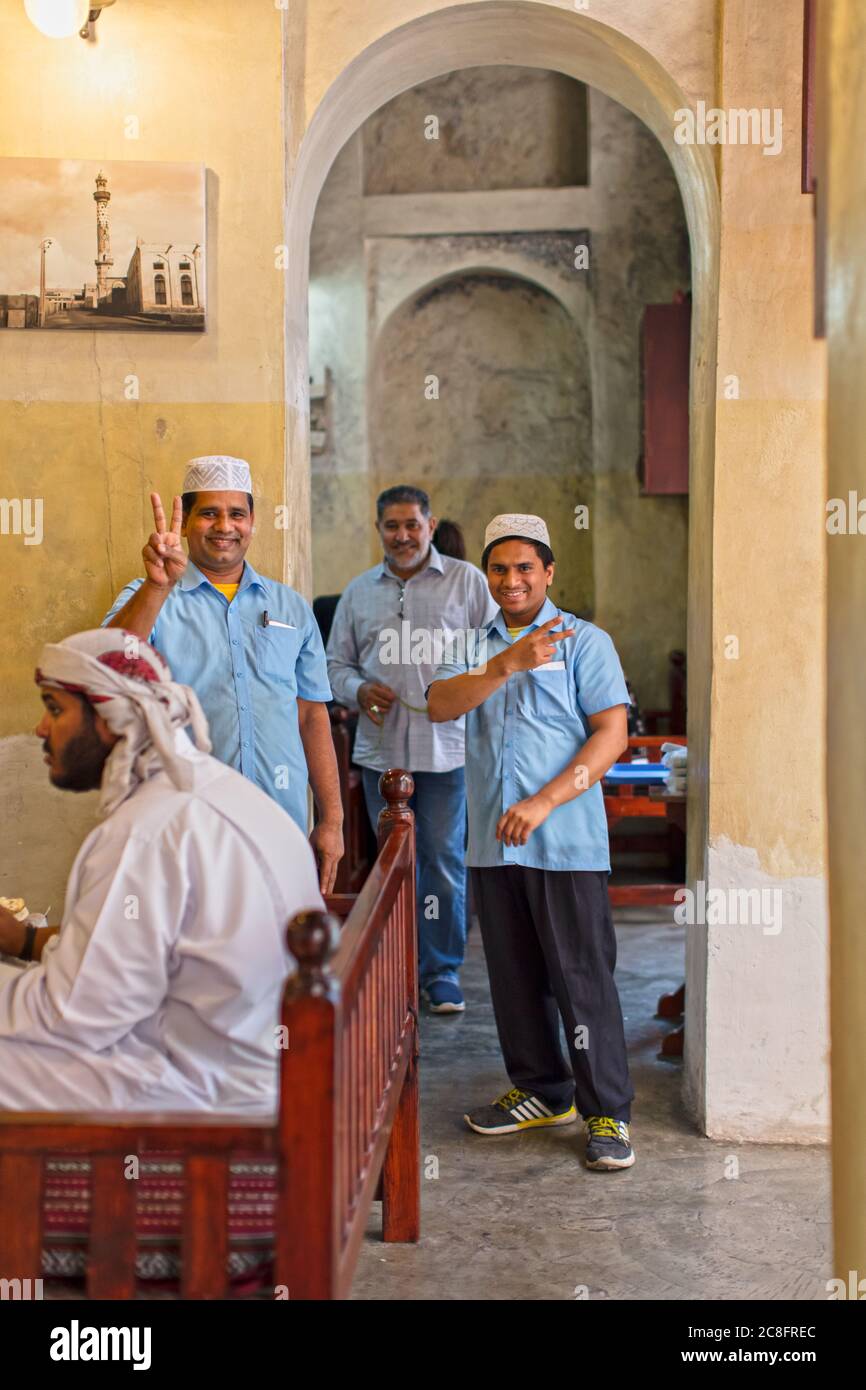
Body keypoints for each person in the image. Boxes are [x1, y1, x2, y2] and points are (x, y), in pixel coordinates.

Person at [0, 629, 323, 1113]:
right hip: (276, 1063)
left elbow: (71, 1018)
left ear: (109, 717)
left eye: (55, 708)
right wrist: (27, 942)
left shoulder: (142, 831)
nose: (42, 730)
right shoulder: (213, 789)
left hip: (223, 1092)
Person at [427, 514, 636, 1170]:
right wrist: (506, 664)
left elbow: (611, 734)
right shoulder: (476, 644)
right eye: (499, 569)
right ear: (486, 576)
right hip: (492, 842)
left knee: (580, 976)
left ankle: (607, 1111)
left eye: (525, 568)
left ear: (549, 573)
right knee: (514, 979)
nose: (511, 580)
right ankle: (544, 1090)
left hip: (565, 841)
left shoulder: (584, 643)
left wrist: (545, 801)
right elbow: (439, 703)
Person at [103, 455, 343, 893]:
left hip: (280, 816)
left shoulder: (291, 607)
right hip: (186, 816)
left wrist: (332, 820)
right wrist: (157, 585)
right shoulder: (151, 594)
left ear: (252, 522)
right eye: (209, 513)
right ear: (187, 523)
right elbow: (110, 668)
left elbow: (312, 716)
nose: (224, 526)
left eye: (237, 514)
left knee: (281, 948)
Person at [326, 485, 497, 1014]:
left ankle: (441, 972)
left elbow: (498, 650)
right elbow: (333, 667)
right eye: (391, 527)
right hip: (381, 755)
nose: (402, 536)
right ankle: (395, 968)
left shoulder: (466, 582)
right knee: (392, 866)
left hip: (447, 752)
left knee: (444, 861)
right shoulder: (358, 592)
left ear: (430, 524)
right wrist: (357, 691)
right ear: (378, 530)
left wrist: (467, 686)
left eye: (412, 525)